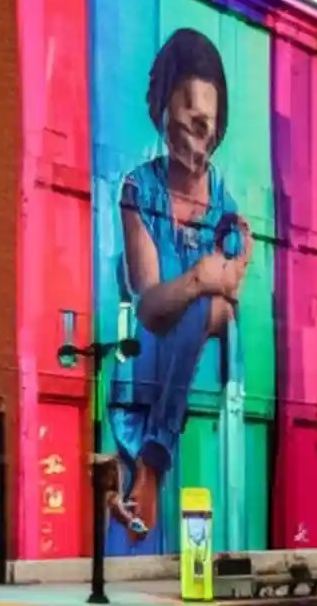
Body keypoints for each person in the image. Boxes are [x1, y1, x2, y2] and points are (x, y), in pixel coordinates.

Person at [108, 27, 252, 554]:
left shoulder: (228, 212)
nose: (199, 137)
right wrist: (200, 280)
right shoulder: (138, 189)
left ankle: (153, 461)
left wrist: (201, 295)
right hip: (134, 384)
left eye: (209, 126)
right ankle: (143, 464)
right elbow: (150, 306)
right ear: (163, 111)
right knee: (125, 537)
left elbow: (226, 313)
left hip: (199, 400)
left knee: (201, 309)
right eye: (189, 120)